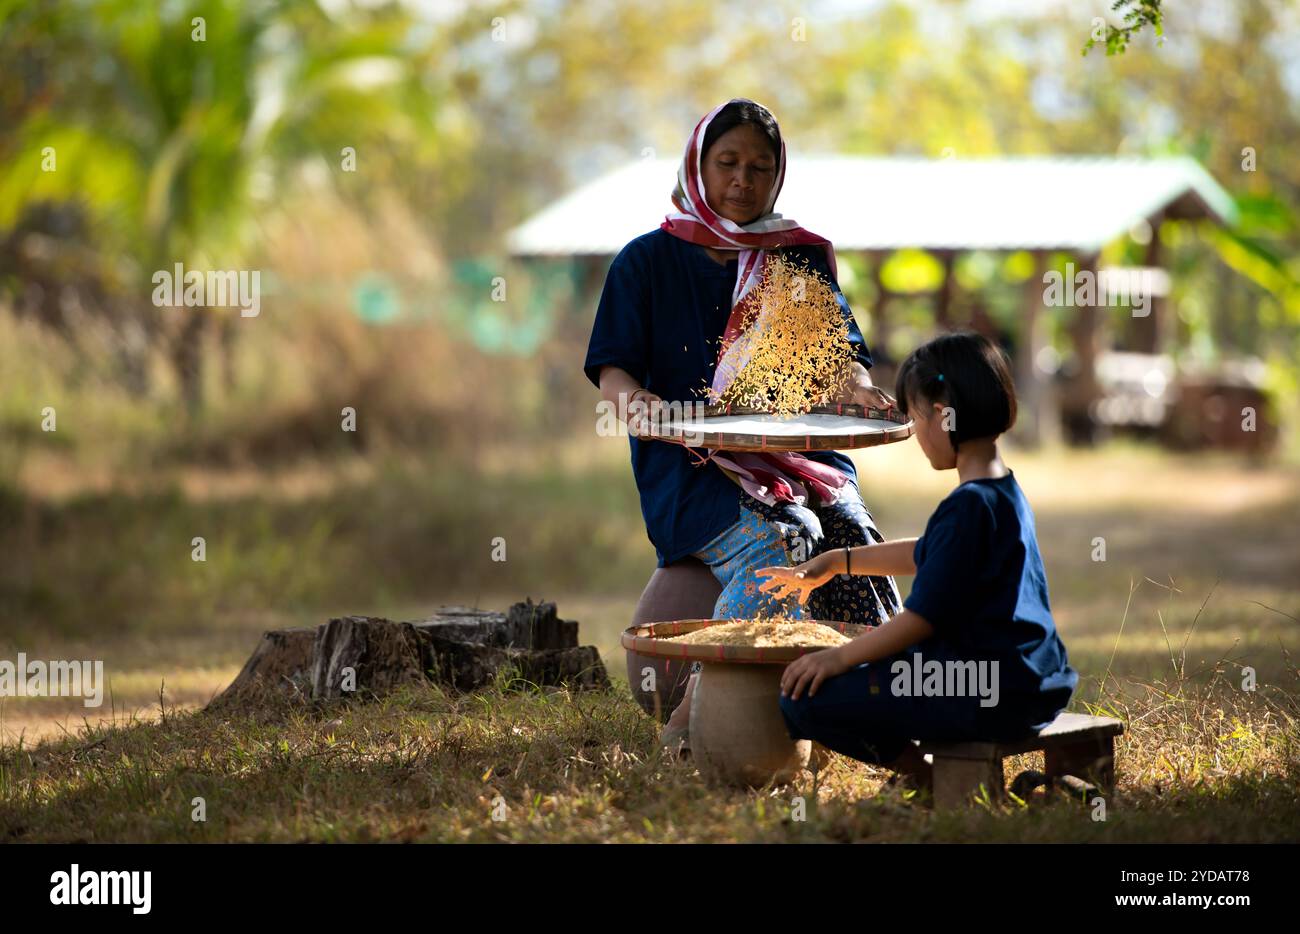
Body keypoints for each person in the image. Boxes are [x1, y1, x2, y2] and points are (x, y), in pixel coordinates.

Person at [583, 98, 902, 755]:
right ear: (698, 167)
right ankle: (694, 728)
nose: (742, 180)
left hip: (800, 463)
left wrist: (864, 393)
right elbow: (614, 376)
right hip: (691, 471)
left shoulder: (798, 260)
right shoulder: (644, 261)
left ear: (778, 176)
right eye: (726, 162)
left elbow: (839, 367)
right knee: (790, 541)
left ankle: (872, 723)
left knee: (848, 537)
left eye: (760, 167)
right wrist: (644, 407)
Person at [756, 332, 1078, 793]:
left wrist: (837, 659)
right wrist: (835, 561)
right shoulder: (1002, 490)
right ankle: (938, 778)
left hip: (985, 689)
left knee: (803, 700)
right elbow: (930, 551)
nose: (916, 434)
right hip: (1037, 680)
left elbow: (920, 621)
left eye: (915, 416)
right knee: (888, 672)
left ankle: (927, 779)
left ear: (944, 412)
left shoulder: (968, 506)